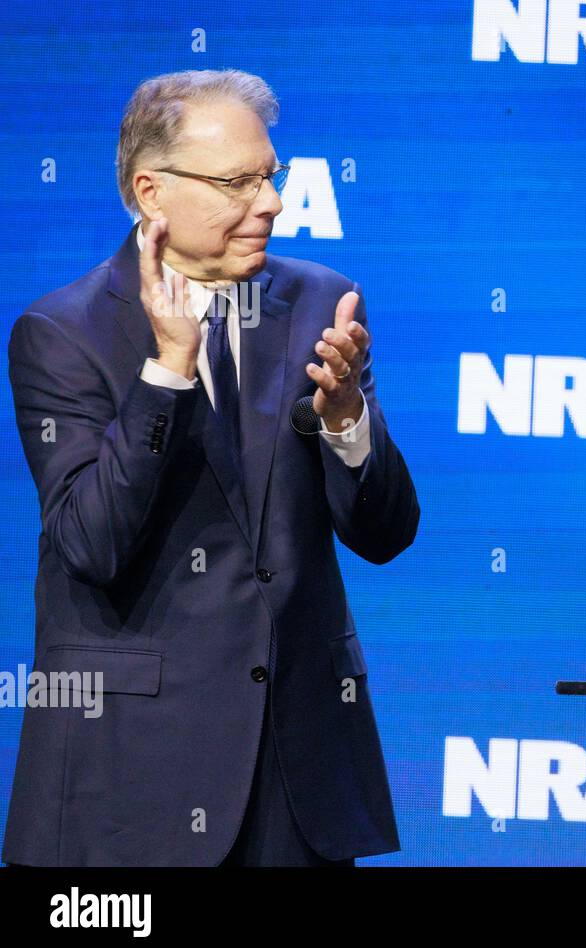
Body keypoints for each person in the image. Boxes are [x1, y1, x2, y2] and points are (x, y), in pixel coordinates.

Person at [2, 69, 419, 866]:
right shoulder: (61, 333)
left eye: (271, 177)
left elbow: (386, 531)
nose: (270, 203)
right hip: (127, 789)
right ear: (150, 191)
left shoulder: (324, 306)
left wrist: (347, 426)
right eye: (238, 182)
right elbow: (93, 542)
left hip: (295, 789)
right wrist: (165, 373)